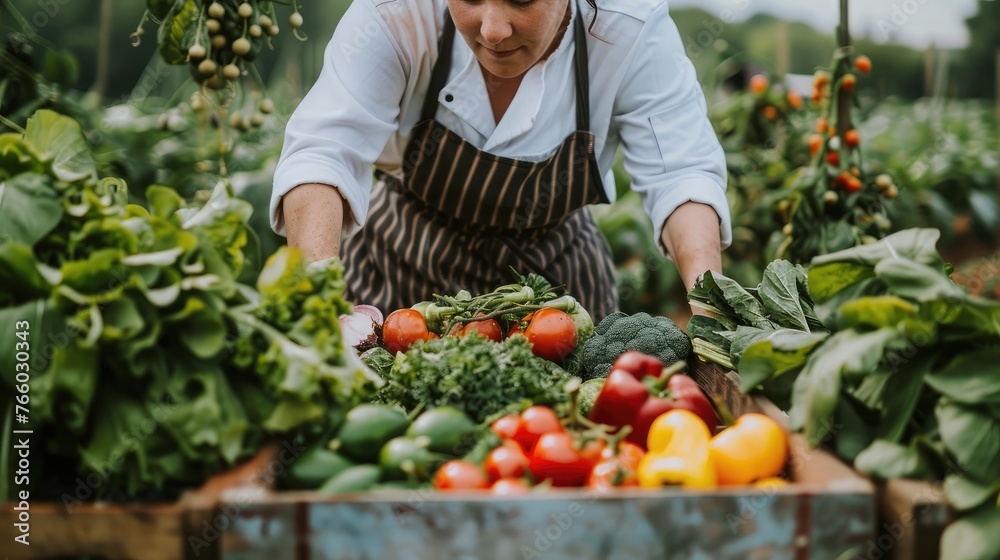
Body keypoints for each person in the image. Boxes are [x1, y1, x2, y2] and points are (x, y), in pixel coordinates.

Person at [270, 0, 732, 322]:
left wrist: (710, 304)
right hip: (400, 267)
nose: (492, 29)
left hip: (558, 295)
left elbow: (681, 173)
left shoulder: (630, 26)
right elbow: (324, 151)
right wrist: (317, 292)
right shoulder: (395, 12)